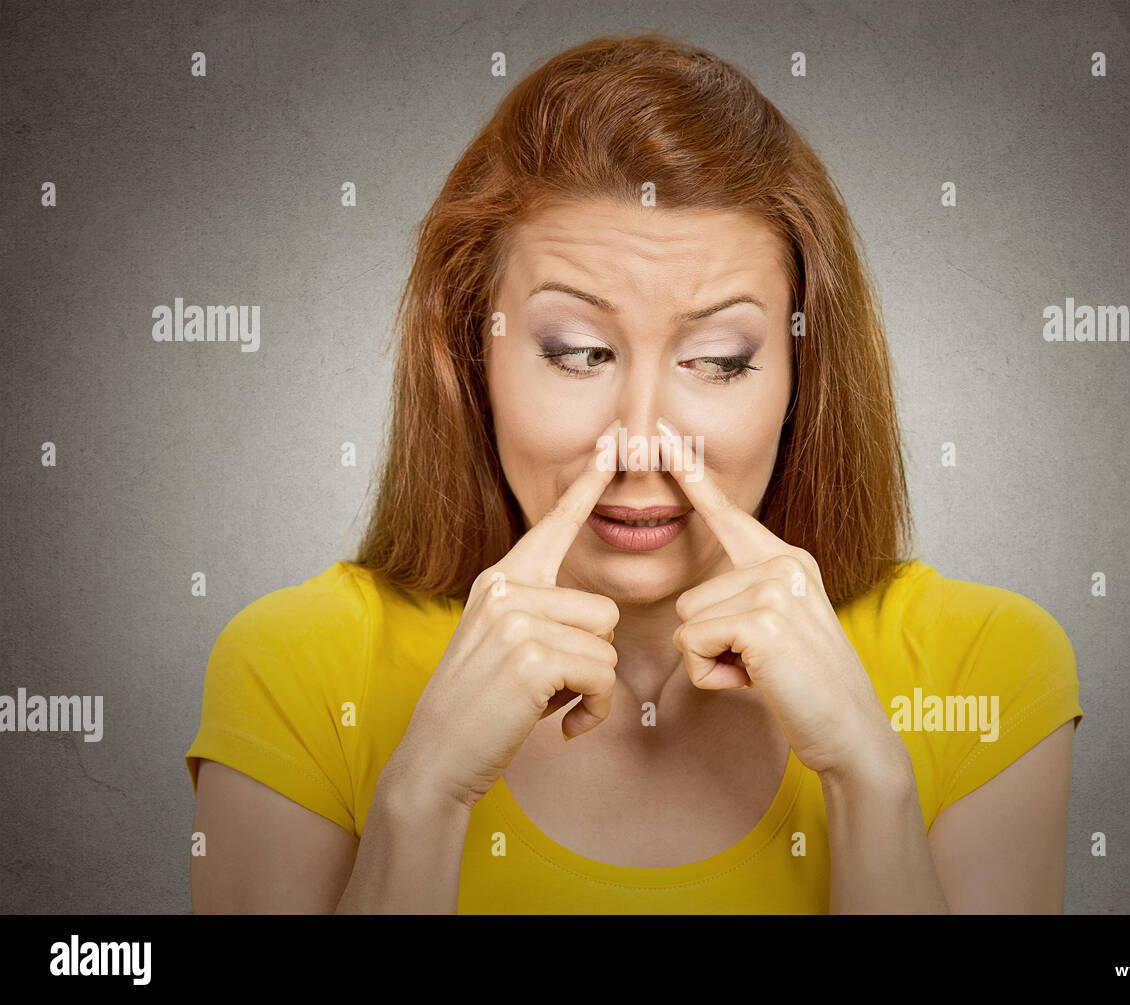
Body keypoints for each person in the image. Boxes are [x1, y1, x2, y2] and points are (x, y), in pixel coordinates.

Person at [185, 32, 1082, 914]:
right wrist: (421, 801)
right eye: (578, 353)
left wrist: (870, 779)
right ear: (474, 358)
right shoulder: (296, 668)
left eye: (721, 359)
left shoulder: (983, 672)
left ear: (803, 377)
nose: (644, 442)